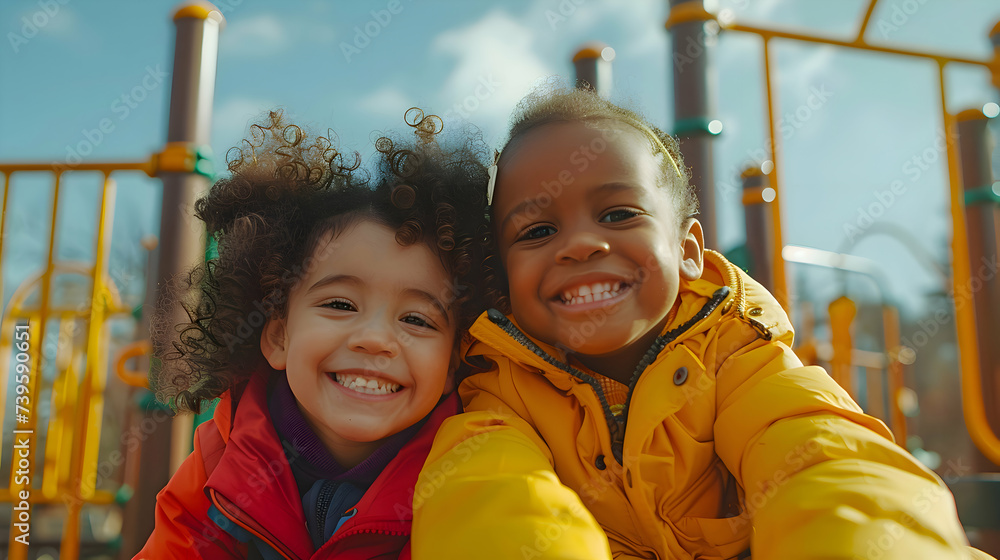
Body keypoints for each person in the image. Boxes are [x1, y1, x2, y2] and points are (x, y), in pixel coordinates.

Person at [413, 85, 996, 560]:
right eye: (537, 231)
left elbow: (828, 459)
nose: (582, 244)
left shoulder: (742, 357)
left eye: (619, 214)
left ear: (689, 251)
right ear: (504, 278)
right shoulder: (496, 395)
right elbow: (489, 499)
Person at [136, 109, 498, 558]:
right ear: (278, 338)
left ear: (451, 364)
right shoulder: (217, 470)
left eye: (416, 320)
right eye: (341, 305)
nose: (375, 338)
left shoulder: (472, 475)